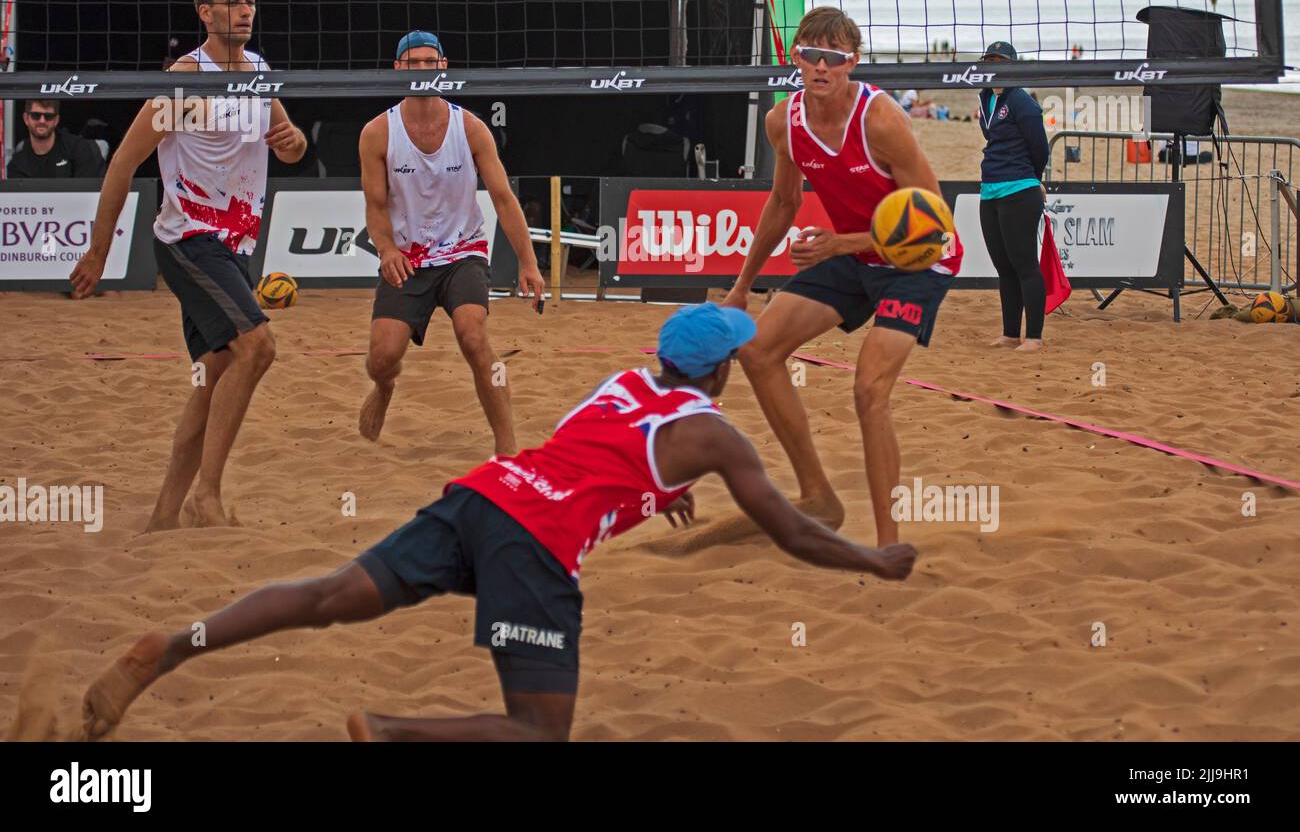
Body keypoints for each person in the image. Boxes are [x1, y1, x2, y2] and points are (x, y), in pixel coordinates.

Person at [80, 304, 917, 743]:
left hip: (486, 493)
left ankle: (172, 645)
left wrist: (664, 490)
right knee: (538, 730)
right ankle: (393, 729)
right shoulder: (714, 433)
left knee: (329, 592)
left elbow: (603, 451)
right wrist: (874, 562)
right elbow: (792, 529)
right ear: (726, 368)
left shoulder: (621, 382)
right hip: (538, 545)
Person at [697, 7, 963, 552]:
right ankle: (818, 496)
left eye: (834, 58)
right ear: (795, 56)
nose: (820, 67)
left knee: (868, 390)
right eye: (809, 55)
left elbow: (936, 219)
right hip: (854, 254)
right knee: (759, 351)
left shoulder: (882, 121)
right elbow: (782, 202)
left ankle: (888, 548)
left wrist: (842, 243)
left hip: (918, 259)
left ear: (853, 63)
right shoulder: (783, 122)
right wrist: (743, 285)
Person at [69, 0, 308, 530]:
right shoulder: (184, 79)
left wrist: (294, 142)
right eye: (231, 1)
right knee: (258, 348)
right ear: (205, 12)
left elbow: (289, 147)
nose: (244, 10)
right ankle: (207, 495)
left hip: (236, 245)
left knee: (215, 372)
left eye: (249, 0)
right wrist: (99, 252)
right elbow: (122, 165)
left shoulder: (259, 72)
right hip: (187, 241)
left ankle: (162, 514)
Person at [357, 32, 544, 452]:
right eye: (413, 62)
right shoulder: (377, 132)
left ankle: (507, 447)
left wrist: (529, 263)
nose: (422, 69)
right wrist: (386, 249)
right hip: (408, 256)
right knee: (382, 357)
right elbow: (374, 206)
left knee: (472, 336)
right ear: (398, 69)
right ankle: (385, 388)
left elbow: (503, 198)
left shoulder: (471, 128)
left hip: (463, 251)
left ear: (444, 66)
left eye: (430, 61)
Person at [975, 41, 1050, 352]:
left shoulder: (1022, 101)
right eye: (989, 61)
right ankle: (1010, 334)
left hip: (1019, 189)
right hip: (990, 188)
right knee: (1003, 266)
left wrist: (1033, 178)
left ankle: (1034, 336)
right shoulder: (985, 99)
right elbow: (994, 139)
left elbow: (1040, 148)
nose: (994, 66)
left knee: (1025, 265)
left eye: (1000, 61)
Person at [6, 99, 106, 179]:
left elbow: (88, 196)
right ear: (26, 119)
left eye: (48, 116)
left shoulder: (81, 149)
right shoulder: (17, 162)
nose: (42, 121)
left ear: (56, 120)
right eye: (36, 115)